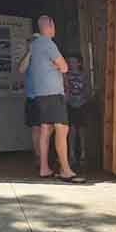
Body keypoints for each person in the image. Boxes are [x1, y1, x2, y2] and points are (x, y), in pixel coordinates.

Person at [26, 15, 84, 183]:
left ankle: (44, 168)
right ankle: (66, 170)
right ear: (50, 26)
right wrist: (59, 65)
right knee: (62, 129)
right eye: (54, 25)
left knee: (45, 129)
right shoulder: (49, 44)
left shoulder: (35, 45)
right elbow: (64, 67)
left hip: (40, 94)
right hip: (53, 94)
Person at [65, 54, 91, 168]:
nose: (71, 64)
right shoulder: (65, 76)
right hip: (70, 104)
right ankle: (71, 154)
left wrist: (86, 99)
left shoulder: (84, 76)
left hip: (82, 104)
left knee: (81, 130)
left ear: (79, 63)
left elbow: (87, 89)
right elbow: (64, 88)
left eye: (73, 62)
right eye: (69, 62)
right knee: (71, 130)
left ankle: (83, 153)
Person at [18, 33, 40, 162]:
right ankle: (38, 156)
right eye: (30, 42)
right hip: (33, 98)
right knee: (36, 128)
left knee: (49, 128)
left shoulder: (48, 56)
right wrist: (29, 53)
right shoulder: (28, 58)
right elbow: (21, 69)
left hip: (47, 98)